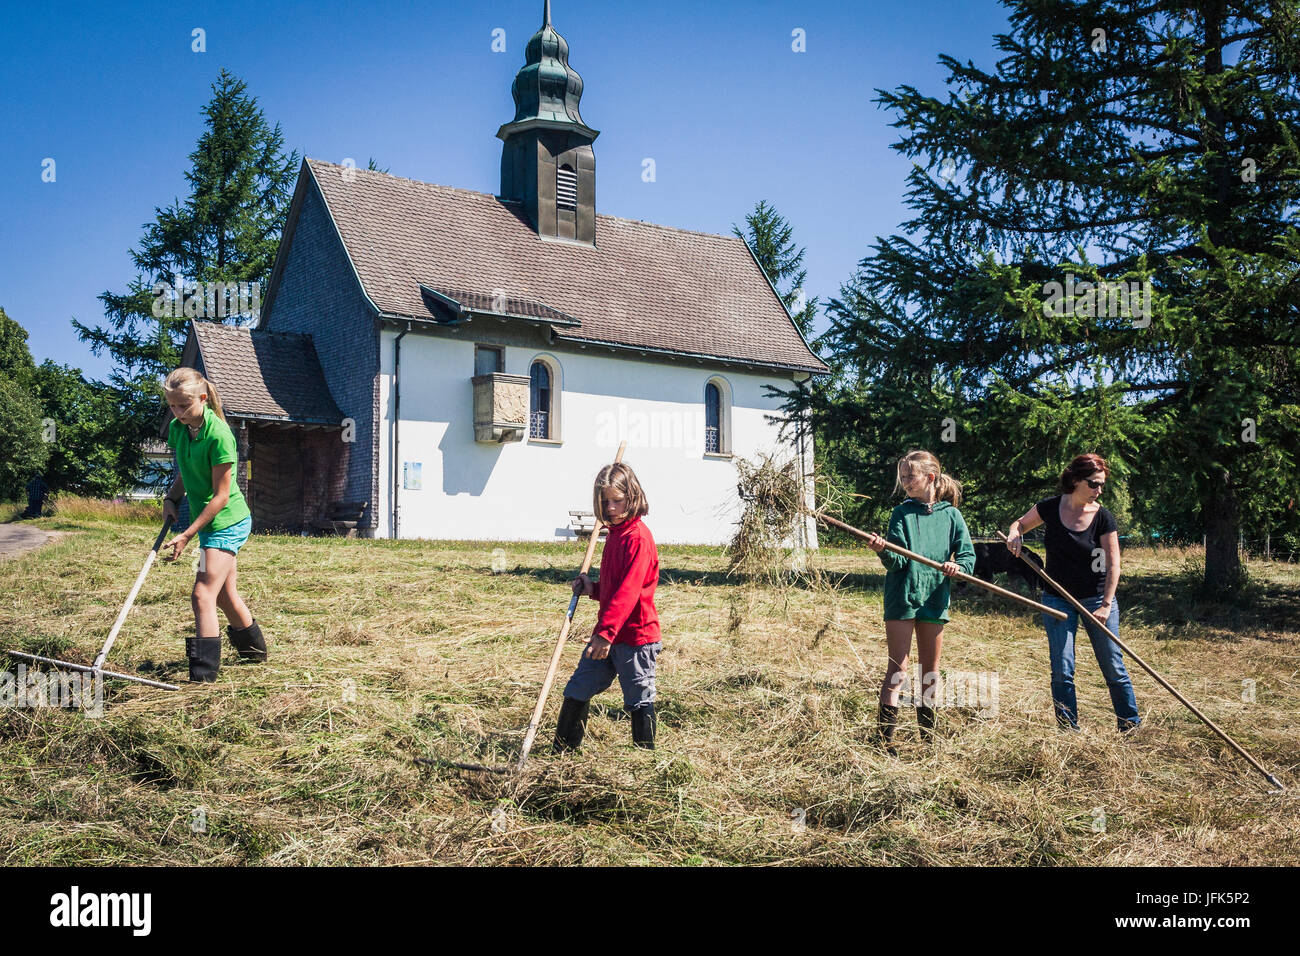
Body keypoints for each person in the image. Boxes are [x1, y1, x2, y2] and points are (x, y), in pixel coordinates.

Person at [1006, 453, 1140, 732]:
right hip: (1057, 599)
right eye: (1093, 483)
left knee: (1113, 668)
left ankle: (1130, 726)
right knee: (1062, 671)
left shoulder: (1102, 517)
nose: (1099, 490)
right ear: (1076, 480)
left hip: (1097, 600)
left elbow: (1114, 564)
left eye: (1102, 484)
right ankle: (1069, 732)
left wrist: (1105, 605)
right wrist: (1015, 533)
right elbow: (1019, 524)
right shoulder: (1050, 508)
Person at [862, 450, 975, 751]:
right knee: (898, 669)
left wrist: (958, 567)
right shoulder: (901, 513)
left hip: (935, 597)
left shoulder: (951, 516)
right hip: (903, 597)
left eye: (910, 476)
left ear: (930, 477)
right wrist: (882, 549)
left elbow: (967, 557)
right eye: (902, 478)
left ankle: (928, 741)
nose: (905, 482)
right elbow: (897, 560)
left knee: (930, 670)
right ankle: (884, 743)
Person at [160, 367, 266, 682]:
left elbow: (220, 497)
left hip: (227, 522)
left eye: (184, 405)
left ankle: (202, 677)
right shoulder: (179, 429)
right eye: (172, 406)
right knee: (222, 595)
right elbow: (187, 470)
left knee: (202, 594)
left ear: (203, 398)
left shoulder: (219, 435)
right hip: (208, 522)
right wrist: (171, 498)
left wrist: (187, 534)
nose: (177, 412)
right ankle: (255, 654)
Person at [553, 462, 662, 751]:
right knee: (578, 686)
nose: (611, 508)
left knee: (638, 697)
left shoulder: (637, 538)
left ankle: (645, 760)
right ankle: (562, 753)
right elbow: (615, 589)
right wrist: (593, 589)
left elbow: (628, 593)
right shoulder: (615, 536)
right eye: (605, 502)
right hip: (609, 635)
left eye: (617, 500)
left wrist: (605, 633)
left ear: (633, 497)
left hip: (635, 638)